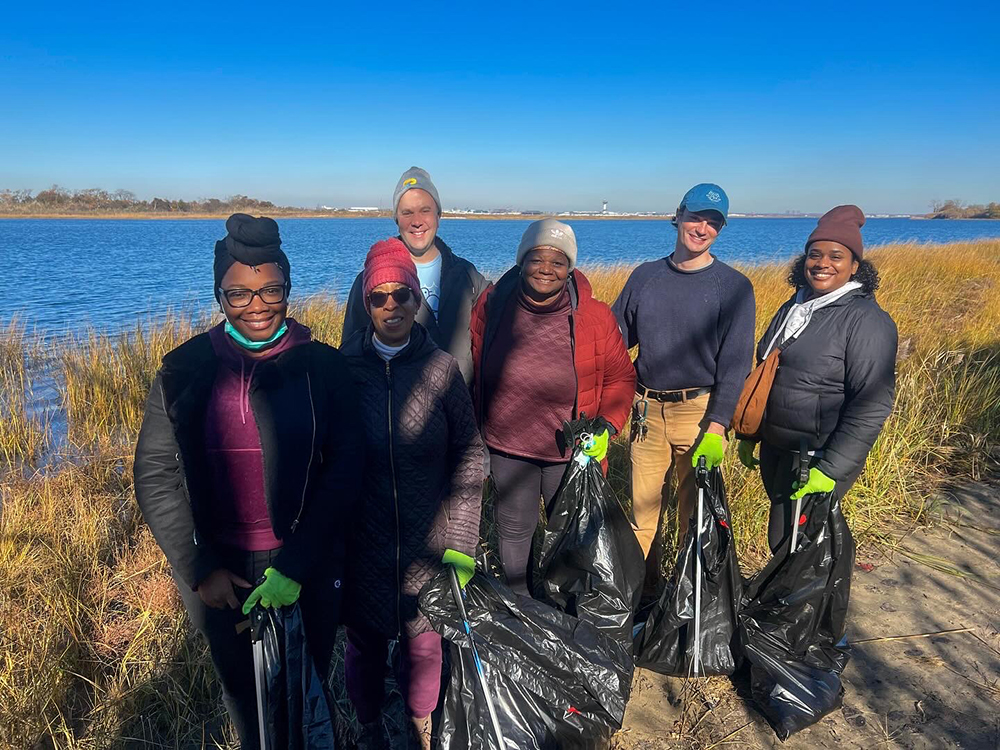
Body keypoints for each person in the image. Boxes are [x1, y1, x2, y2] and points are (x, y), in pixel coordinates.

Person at [134, 214, 363, 748]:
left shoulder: (323, 367)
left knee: (307, 694)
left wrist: (298, 564)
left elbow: (345, 467)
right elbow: (155, 473)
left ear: (288, 288)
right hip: (223, 575)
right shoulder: (184, 369)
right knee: (244, 698)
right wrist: (199, 567)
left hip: (304, 565)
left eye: (270, 291)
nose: (257, 306)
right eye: (239, 294)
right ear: (219, 295)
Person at [340, 238, 484, 750]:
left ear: (416, 300)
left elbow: (471, 455)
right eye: (379, 297)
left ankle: (420, 726)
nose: (391, 306)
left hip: (430, 540)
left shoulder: (442, 369)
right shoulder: (344, 370)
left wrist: (462, 545)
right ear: (366, 304)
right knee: (363, 649)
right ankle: (369, 725)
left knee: (424, 648)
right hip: (363, 542)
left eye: (402, 294)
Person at [469, 219, 636, 596]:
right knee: (514, 536)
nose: (546, 268)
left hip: (570, 454)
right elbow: (474, 364)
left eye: (558, 261)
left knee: (571, 541)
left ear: (571, 268)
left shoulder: (594, 317)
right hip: (507, 447)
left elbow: (622, 378)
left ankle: (566, 618)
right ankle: (523, 612)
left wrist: (606, 427)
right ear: (521, 261)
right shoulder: (492, 305)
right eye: (537, 258)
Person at [611, 184, 755, 596]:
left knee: (696, 519)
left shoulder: (735, 287)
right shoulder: (645, 276)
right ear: (678, 215)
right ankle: (642, 599)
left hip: (700, 413)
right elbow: (615, 340)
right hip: (647, 411)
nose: (702, 228)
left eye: (713, 222)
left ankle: (692, 603)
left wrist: (717, 426)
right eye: (696, 217)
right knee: (642, 515)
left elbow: (735, 364)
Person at [737, 205, 897, 551]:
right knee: (783, 541)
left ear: (855, 266)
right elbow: (769, 372)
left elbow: (872, 404)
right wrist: (750, 432)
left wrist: (832, 469)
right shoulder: (794, 306)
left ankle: (807, 607)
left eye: (836, 256)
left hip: (817, 456)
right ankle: (784, 604)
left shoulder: (865, 320)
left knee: (806, 548)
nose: (823, 263)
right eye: (815, 254)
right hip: (778, 448)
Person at [341, 166, 488, 384]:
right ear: (396, 219)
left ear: (439, 215)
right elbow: (350, 356)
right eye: (407, 212)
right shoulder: (371, 283)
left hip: (460, 406)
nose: (416, 221)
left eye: (425, 210)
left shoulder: (467, 276)